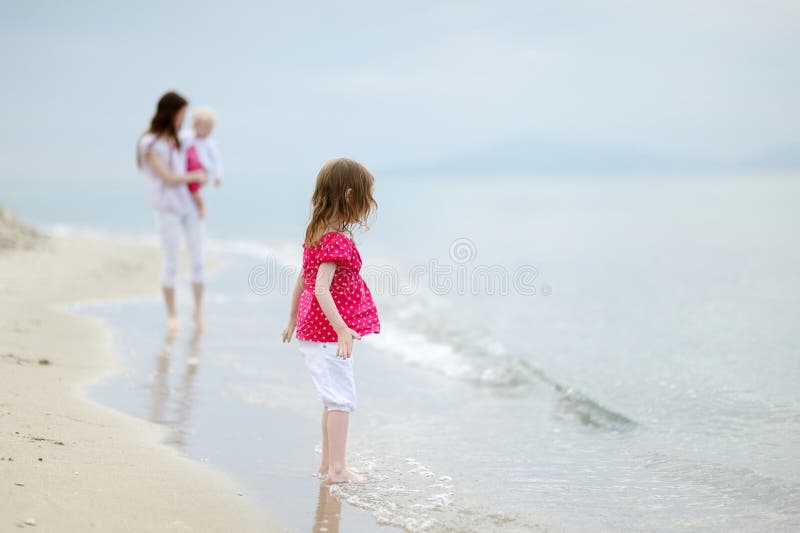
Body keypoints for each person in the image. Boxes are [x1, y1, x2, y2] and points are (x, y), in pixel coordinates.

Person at [282, 158, 380, 485]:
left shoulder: (316, 232)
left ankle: (327, 464)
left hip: (313, 329)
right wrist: (342, 329)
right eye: (366, 199)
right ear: (350, 196)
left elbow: (302, 278)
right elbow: (321, 286)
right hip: (328, 333)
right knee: (341, 399)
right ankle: (338, 469)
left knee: (330, 398)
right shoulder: (336, 239)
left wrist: (292, 317)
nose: (367, 208)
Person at [136, 91, 208, 332]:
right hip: (167, 209)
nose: (182, 120)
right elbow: (167, 177)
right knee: (172, 261)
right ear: (170, 114)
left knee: (198, 259)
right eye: (181, 115)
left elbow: (187, 167)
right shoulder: (151, 143)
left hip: (187, 205)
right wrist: (196, 176)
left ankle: (198, 311)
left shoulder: (178, 140)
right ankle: (172, 315)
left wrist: (199, 199)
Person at [182, 106, 224, 219]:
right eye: (205, 127)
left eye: (210, 128)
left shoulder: (210, 143)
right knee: (191, 188)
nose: (207, 131)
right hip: (188, 168)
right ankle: (199, 206)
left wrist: (218, 176)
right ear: (195, 125)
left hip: (201, 169)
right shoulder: (187, 137)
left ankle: (202, 206)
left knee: (194, 188)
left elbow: (217, 160)